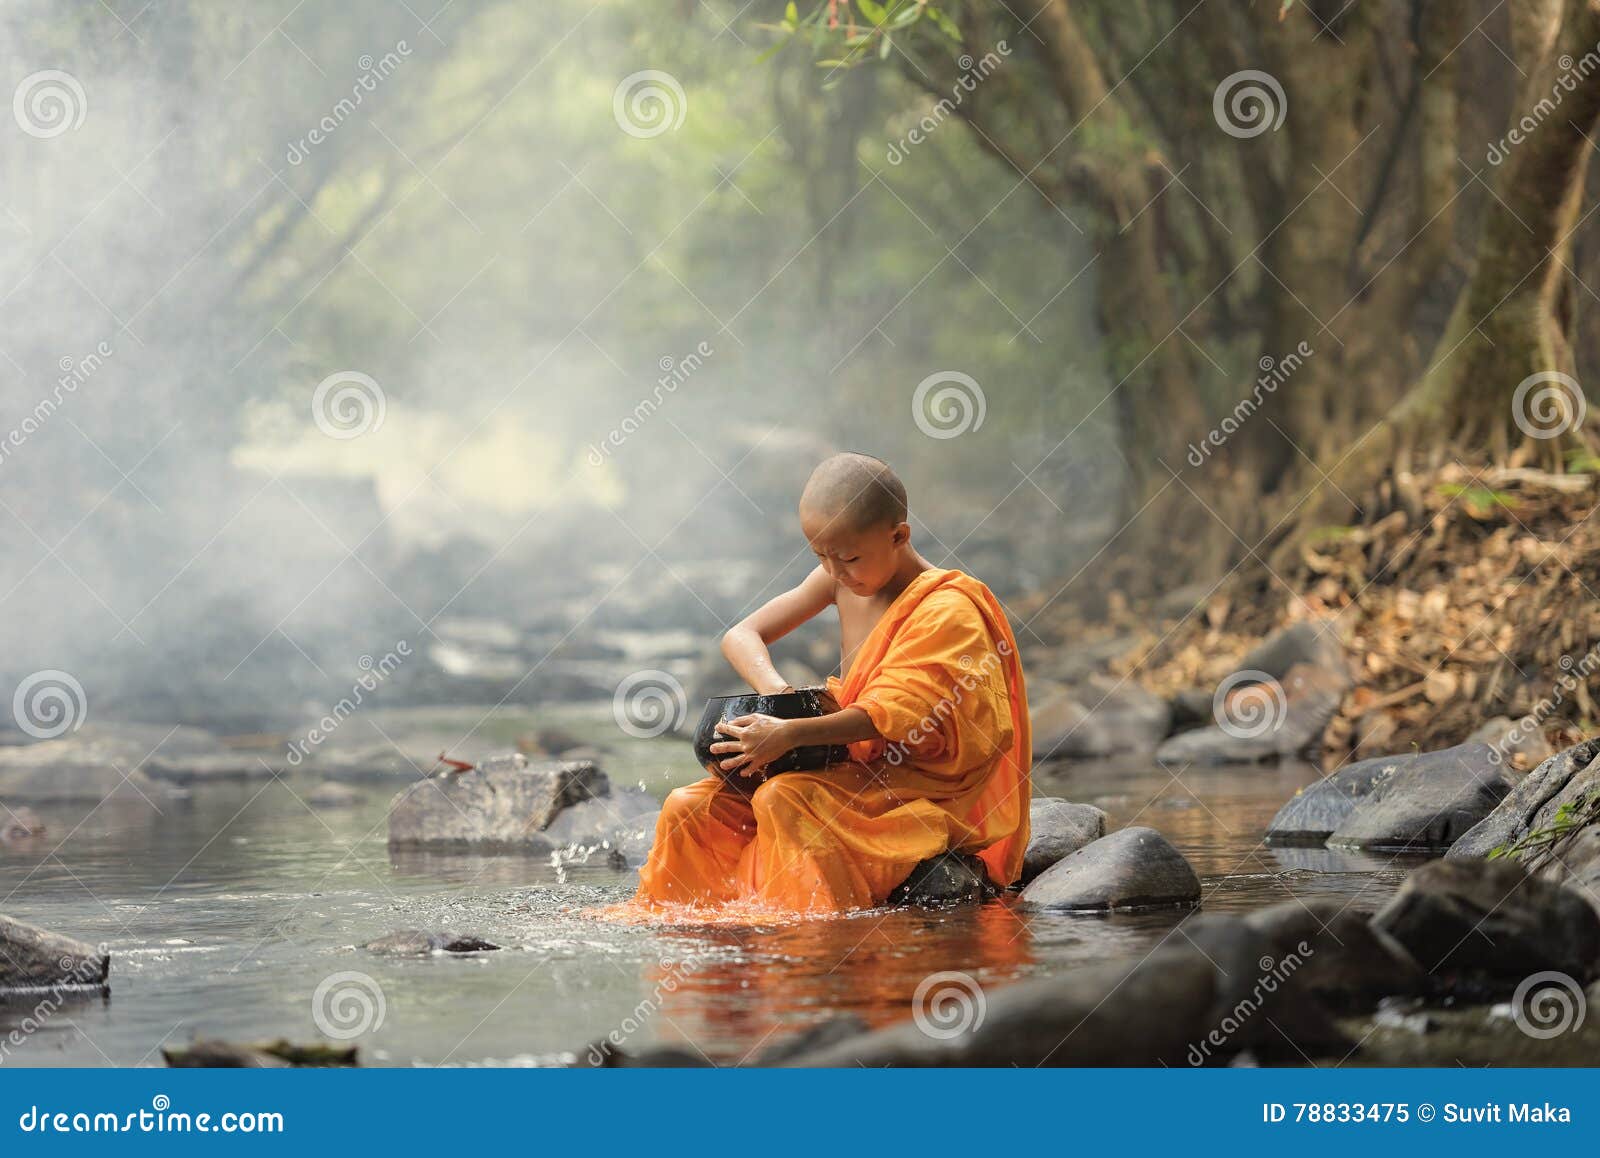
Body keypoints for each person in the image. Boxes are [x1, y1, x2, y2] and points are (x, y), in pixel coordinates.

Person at [632, 451, 1030, 914]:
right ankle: (700, 930)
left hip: (916, 782)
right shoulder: (837, 578)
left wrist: (791, 734)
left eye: (849, 558)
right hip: (849, 764)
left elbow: (888, 715)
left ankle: (815, 933)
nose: (835, 571)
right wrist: (778, 697)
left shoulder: (948, 609)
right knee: (688, 807)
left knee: (784, 797)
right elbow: (740, 635)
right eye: (820, 555)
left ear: (898, 536)